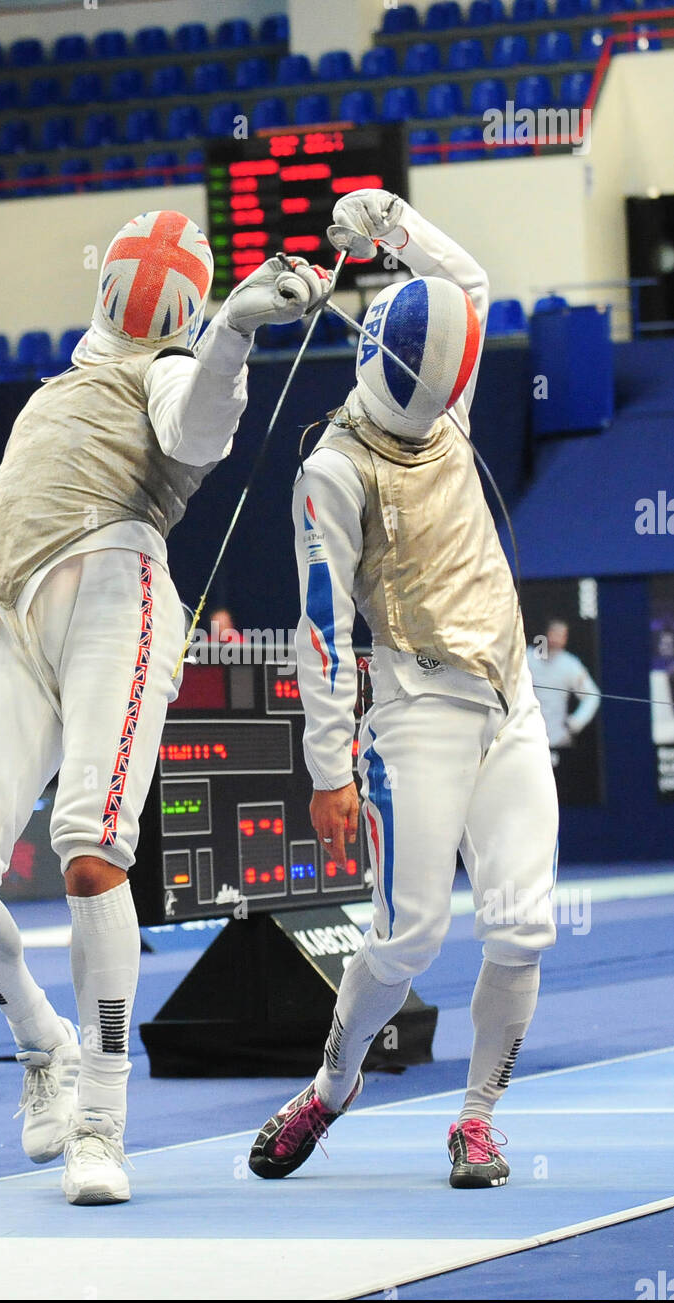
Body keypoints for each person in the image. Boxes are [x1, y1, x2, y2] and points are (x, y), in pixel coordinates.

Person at [0, 210, 331, 1206]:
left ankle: (102, 1120)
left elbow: (198, 426)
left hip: (119, 598)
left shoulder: (171, 373)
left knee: (88, 847)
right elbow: (24, 557)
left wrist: (233, 331)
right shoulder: (47, 401)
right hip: (8, 626)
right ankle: (45, 1042)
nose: (143, 287)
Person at [248, 190, 559, 1190]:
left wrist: (388, 221)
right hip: (416, 712)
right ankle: (331, 1088)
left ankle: (474, 1121)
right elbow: (320, 630)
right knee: (410, 934)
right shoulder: (331, 471)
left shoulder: (446, 403)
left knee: (520, 926)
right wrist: (328, 767)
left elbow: (465, 287)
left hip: (507, 700)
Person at [527, 618, 601, 791]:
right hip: (528, 737)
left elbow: (592, 696)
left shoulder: (570, 664)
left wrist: (575, 723)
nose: (557, 638)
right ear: (546, 633)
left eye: (562, 635)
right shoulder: (527, 657)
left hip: (558, 738)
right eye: (554, 633)